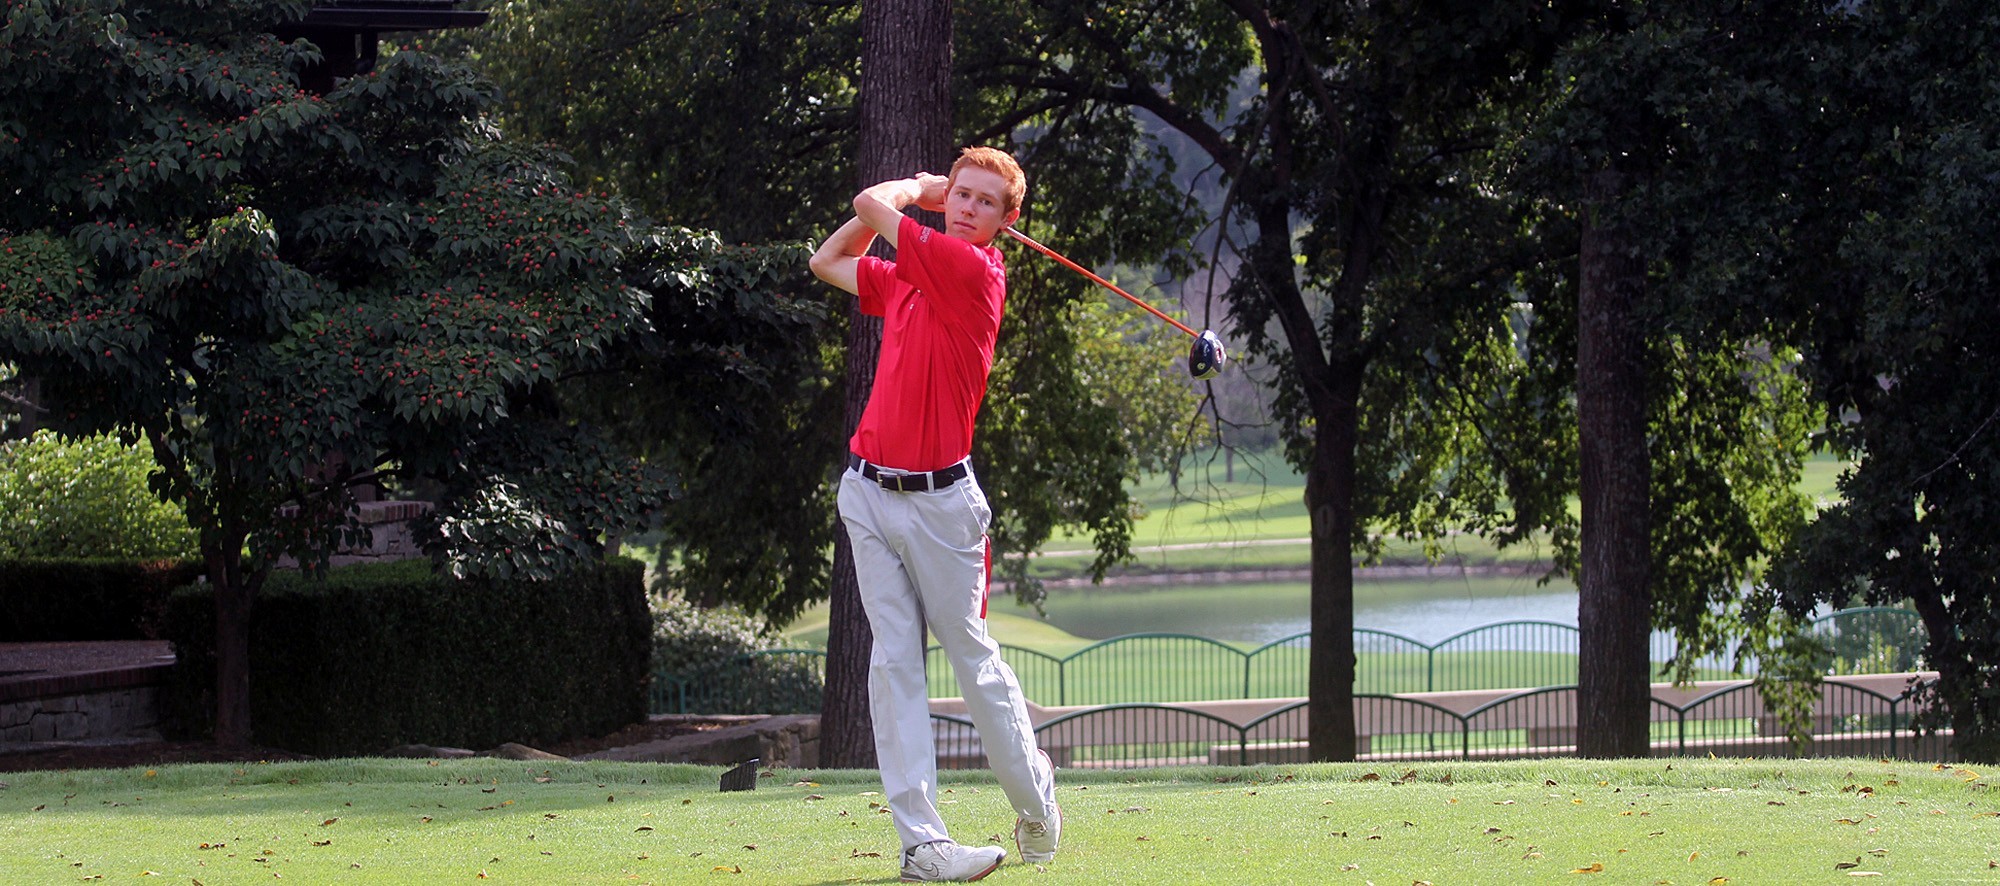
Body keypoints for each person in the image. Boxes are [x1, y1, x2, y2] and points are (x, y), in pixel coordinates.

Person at [809, 146, 1060, 883]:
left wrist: (915, 190)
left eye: (985, 202)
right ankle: (923, 846)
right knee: (893, 665)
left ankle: (1036, 805)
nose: (967, 207)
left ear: (1007, 223)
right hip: (867, 491)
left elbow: (866, 203)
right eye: (961, 194)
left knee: (973, 665)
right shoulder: (912, 280)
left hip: (942, 507)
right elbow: (828, 260)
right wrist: (917, 199)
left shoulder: (973, 272)